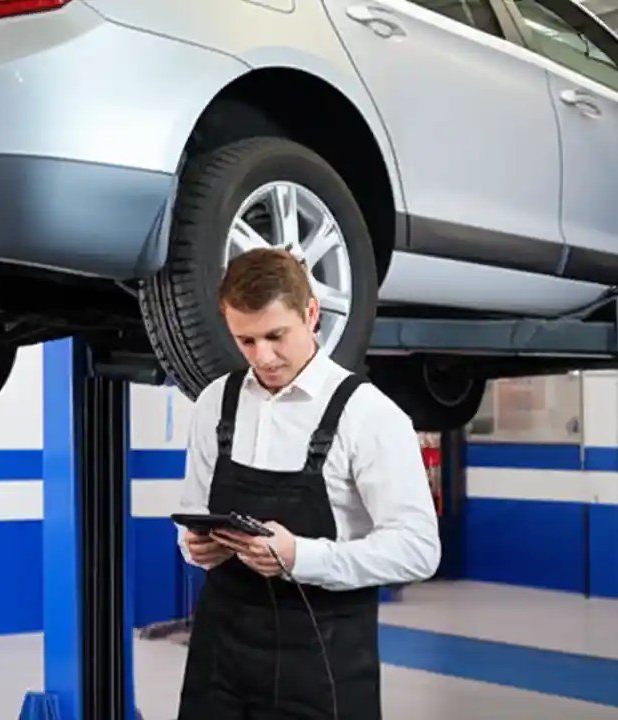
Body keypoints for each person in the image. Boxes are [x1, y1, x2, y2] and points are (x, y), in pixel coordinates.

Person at [174, 247, 441, 720]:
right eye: (246, 340)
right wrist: (195, 546)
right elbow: (192, 506)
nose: (264, 356)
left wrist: (303, 557)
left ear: (311, 313)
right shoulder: (216, 402)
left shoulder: (369, 416)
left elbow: (419, 548)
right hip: (220, 661)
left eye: (277, 335)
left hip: (321, 665)